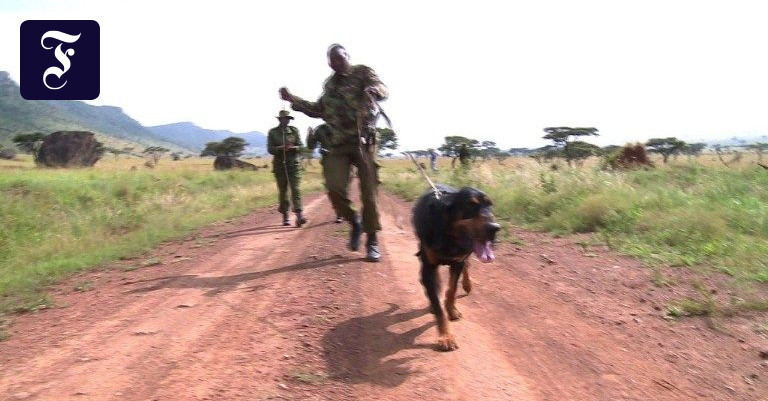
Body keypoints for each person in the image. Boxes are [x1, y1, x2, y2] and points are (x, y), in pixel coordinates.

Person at [279, 43, 388, 262]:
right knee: (334, 189)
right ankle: (354, 221)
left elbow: (383, 89)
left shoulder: (362, 72)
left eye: (339, 57)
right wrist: (293, 100)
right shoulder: (329, 85)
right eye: (331, 59)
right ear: (328, 62)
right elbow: (318, 109)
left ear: (348, 56)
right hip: (338, 145)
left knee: (369, 193)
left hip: (363, 142)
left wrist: (373, 91)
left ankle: (372, 240)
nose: (336, 61)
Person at [267, 110, 307, 227]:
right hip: (280, 166)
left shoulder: (294, 131)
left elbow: (301, 146)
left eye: (288, 118)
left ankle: (299, 216)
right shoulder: (273, 132)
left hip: (293, 165)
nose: (287, 120)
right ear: (280, 119)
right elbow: (270, 149)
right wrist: (280, 148)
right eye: (284, 118)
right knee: (283, 191)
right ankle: (285, 216)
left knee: (296, 189)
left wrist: (293, 147)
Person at [306, 124, 343, 223]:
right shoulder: (320, 129)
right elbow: (310, 146)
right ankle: (339, 212)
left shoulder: (343, 125)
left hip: (343, 163)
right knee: (331, 188)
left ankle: (342, 212)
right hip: (328, 163)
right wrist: (310, 134)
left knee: (341, 188)